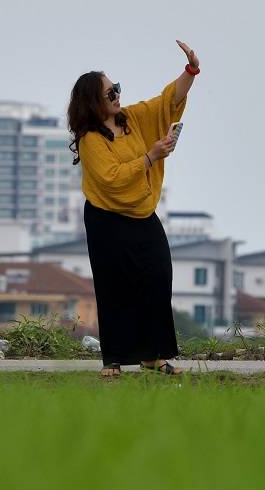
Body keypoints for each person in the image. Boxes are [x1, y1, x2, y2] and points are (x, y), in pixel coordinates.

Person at [67, 41, 201, 378]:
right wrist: (151, 156)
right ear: (94, 102)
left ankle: (153, 356)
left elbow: (167, 101)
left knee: (157, 278)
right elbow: (111, 179)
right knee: (114, 287)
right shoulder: (90, 139)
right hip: (106, 218)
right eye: (110, 93)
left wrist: (191, 70)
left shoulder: (134, 119)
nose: (117, 96)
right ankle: (113, 359)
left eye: (117, 90)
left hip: (142, 214)